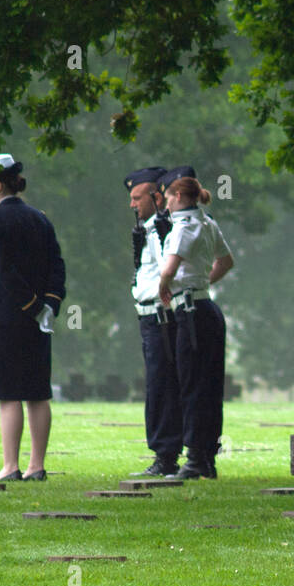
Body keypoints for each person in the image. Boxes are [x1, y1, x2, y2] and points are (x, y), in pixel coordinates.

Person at [0, 153, 66, 482]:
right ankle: (36, 466)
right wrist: (48, 306)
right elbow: (57, 267)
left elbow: (3, 270)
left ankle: (11, 466)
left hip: (4, 315)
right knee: (37, 392)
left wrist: (28, 305)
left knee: (9, 393)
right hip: (38, 318)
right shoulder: (40, 219)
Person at [158, 173, 233, 480]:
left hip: (189, 313)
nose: (165, 202)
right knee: (209, 387)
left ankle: (195, 459)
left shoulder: (183, 226)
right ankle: (206, 458)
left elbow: (169, 268)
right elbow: (226, 262)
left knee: (191, 386)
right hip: (206, 307)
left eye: (167, 197)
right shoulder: (207, 223)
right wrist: (202, 283)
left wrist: (165, 286)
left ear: (177, 196)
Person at [127, 166, 183, 477]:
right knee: (159, 385)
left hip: (162, 316)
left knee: (163, 386)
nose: (132, 204)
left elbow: (166, 269)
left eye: (137, 197)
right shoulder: (148, 227)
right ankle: (167, 452)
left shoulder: (164, 226)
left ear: (156, 196)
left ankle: (167, 455)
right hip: (149, 315)